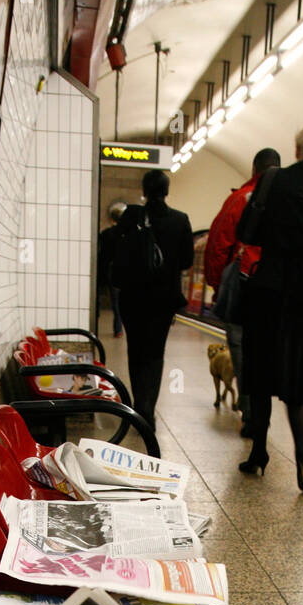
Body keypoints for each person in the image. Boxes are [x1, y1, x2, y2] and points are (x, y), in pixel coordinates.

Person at [238, 123, 303, 492]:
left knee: (261, 374)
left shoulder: (272, 181)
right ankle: (301, 452)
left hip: (267, 290)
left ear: (297, 149)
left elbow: (246, 233)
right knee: (298, 379)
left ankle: (259, 452)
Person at [204, 147, 281, 435]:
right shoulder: (291, 201)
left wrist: (217, 285)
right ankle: (263, 414)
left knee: (241, 352)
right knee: (266, 353)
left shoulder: (239, 200)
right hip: (276, 292)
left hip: (244, 290)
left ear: (253, 170)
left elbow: (219, 245)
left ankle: (250, 412)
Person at [110, 169, 195, 432]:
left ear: (144, 191)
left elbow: (115, 249)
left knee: (136, 352)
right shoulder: (180, 220)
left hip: (133, 297)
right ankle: (149, 408)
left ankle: (139, 405)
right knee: (156, 353)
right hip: (163, 300)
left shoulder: (131, 216)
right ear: (167, 191)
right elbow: (187, 261)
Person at [97, 202, 126, 336]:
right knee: (123, 301)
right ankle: (120, 329)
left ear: (111, 219)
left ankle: (118, 329)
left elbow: (102, 254)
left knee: (115, 301)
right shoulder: (127, 234)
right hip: (124, 269)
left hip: (110, 269)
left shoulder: (106, 233)